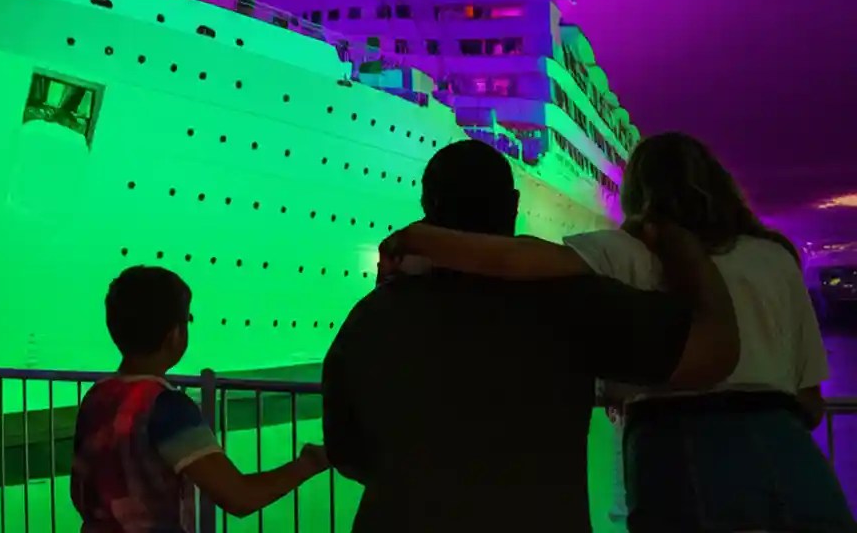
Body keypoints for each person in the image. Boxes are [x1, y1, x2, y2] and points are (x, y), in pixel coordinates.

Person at [381, 132, 854, 532]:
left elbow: (513, 259)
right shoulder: (775, 256)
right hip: (792, 455)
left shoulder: (625, 251)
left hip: (679, 455)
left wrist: (417, 239)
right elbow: (810, 401)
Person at [322, 139, 739, 533]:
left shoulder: (370, 318)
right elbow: (715, 353)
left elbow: (347, 453)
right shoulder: (572, 300)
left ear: (427, 207)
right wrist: (681, 245)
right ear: (514, 206)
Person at [71, 266, 329, 533]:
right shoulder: (167, 407)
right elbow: (239, 497)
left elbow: (80, 491)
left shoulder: (97, 396)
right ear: (175, 335)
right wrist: (308, 464)